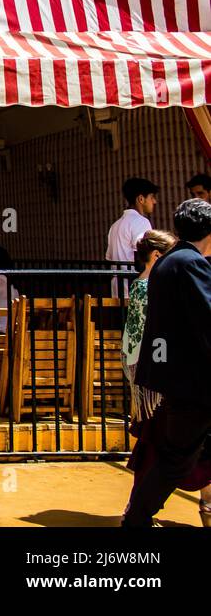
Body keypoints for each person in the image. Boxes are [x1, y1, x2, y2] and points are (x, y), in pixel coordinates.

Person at [121, 198, 211, 528]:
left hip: (180, 379)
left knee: (178, 454)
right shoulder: (190, 263)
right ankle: (138, 516)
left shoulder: (170, 261)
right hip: (194, 382)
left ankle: (139, 514)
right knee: (176, 458)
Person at [121, 229, 178, 428]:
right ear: (156, 255)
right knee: (154, 417)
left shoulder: (139, 284)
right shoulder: (149, 286)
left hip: (139, 357)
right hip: (149, 360)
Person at [106, 177, 159, 264]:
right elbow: (143, 255)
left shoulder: (114, 225)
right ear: (141, 199)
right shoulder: (141, 221)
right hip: (134, 277)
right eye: (152, 197)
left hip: (117, 277)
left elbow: (109, 258)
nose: (154, 201)